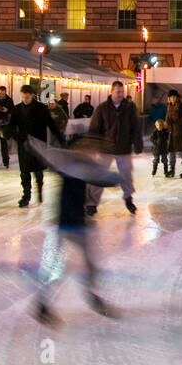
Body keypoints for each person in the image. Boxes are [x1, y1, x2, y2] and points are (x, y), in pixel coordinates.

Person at [26, 136, 122, 326]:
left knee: (87, 265)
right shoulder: (70, 163)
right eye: (85, 147)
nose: (89, 150)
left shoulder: (81, 164)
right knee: (55, 267)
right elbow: (47, 151)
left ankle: (90, 297)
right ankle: (42, 304)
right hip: (64, 225)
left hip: (77, 224)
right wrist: (29, 141)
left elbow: (104, 177)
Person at [84, 80, 142, 215]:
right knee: (99, 175)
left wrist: (138, 144)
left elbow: (136, 127)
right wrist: (92, 145)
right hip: (106, 148)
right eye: (118, 92)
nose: (121, 94)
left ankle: (128, 198)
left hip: (123, 147)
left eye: (122, 92)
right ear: (112, 92)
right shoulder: (102, 108)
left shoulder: (130, 107)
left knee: (126, 175)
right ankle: (92, 203)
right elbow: (94, 128)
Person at [9, 83, 64, 207]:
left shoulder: (41, 108)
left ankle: (39, 189)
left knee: (38, 170)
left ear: (32, 96)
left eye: (27, 97)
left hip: (38, 144)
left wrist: (60, 138)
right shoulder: (17, 109)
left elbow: (50, 123)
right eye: (23, 97)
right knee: (24, 172)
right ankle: (26, 196)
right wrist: (16, 136)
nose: (25, 100)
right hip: (24, 144)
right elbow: (11, 126)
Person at [164, 89, 182, 178]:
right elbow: (167, 118)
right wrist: (168, 124)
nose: (173, 99)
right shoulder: (170, 106)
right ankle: (172, 169)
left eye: (174, 97)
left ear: (177, 97)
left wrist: (172, 120)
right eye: (171, 97)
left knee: (181, 151)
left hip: (180, 132)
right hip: (172, 132)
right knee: (171, 151)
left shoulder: (181, 106)